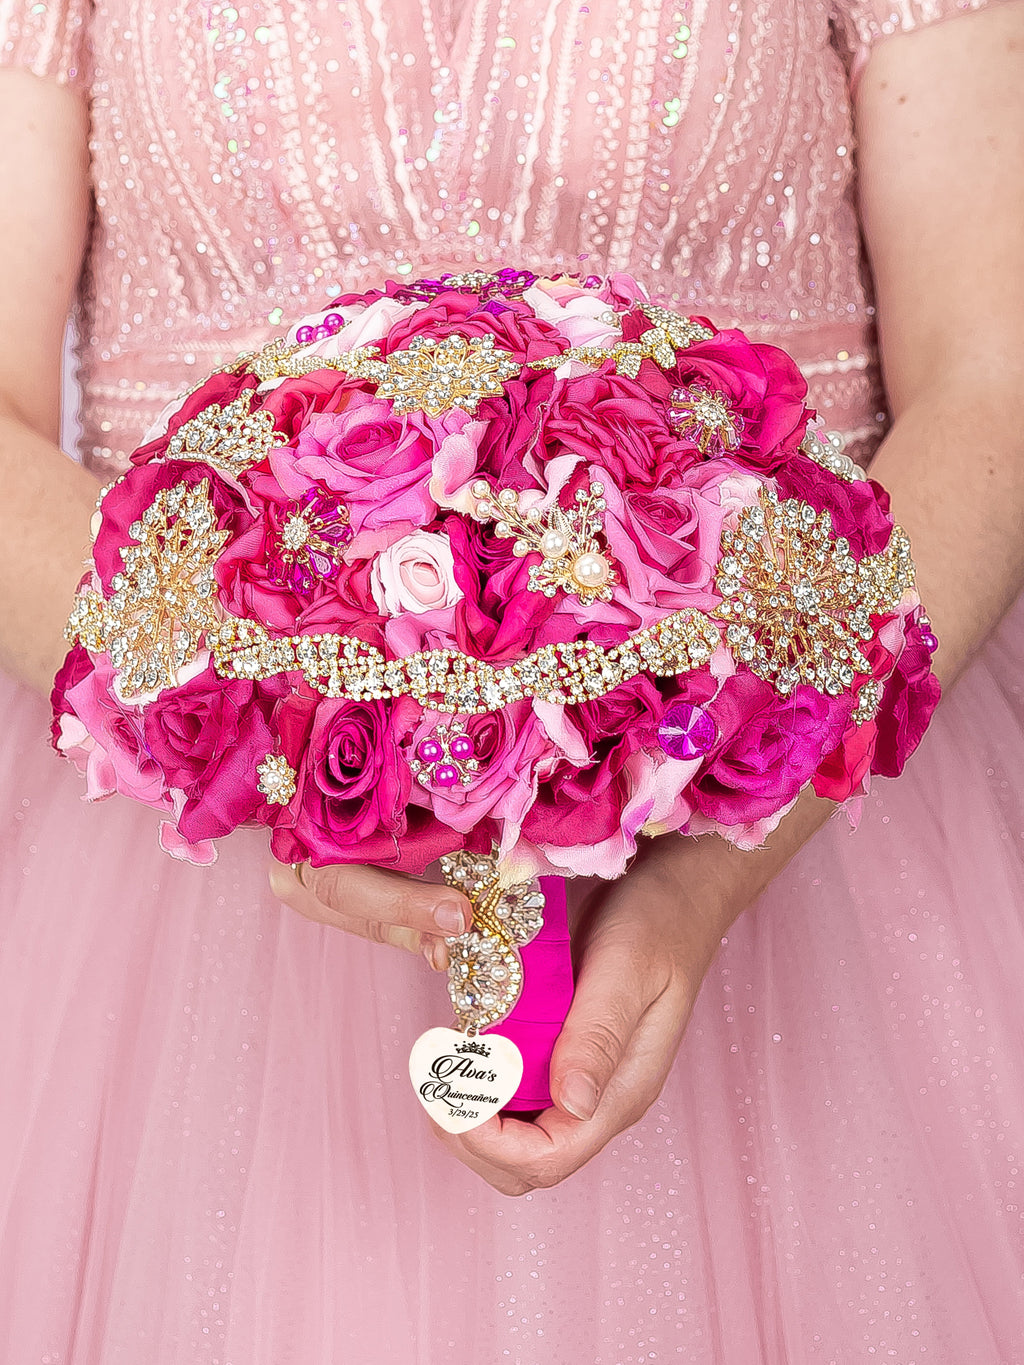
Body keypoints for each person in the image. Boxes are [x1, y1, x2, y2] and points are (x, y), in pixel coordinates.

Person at [1, 0, 1022, 1358]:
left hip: (800, 847)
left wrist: (712, 864)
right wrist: (263, 754)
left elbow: (989, 377)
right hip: (202, 915)